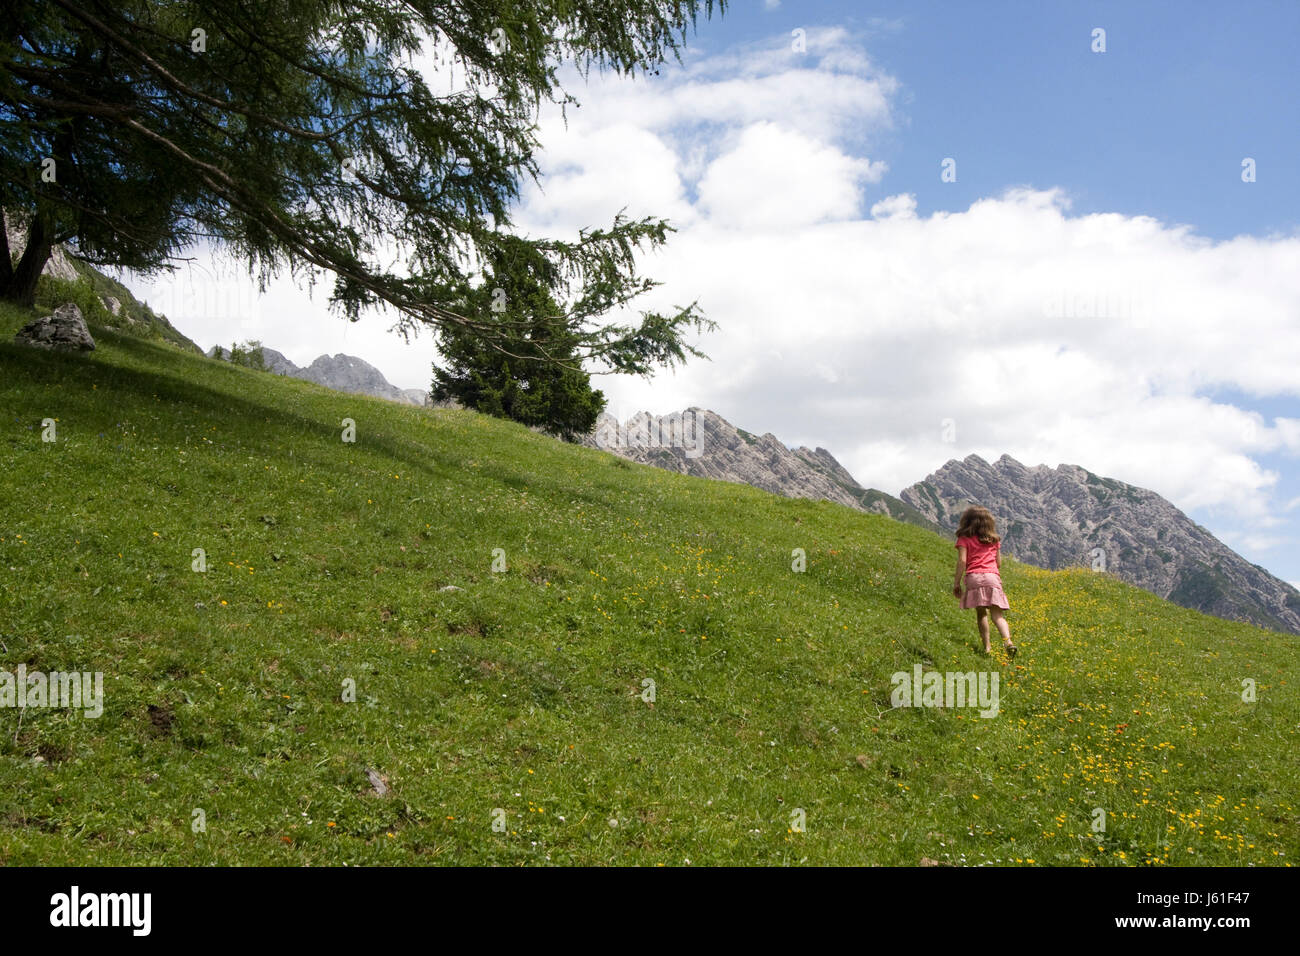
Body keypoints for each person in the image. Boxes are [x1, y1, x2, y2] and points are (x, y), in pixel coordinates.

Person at [952, 505, 1017, 658]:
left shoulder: (964, 539)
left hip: (975, 578)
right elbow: (998, 563)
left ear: (967, 521)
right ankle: (1008, 642)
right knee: (998, 615)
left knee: (981, 614)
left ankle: (987, 648)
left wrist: (956, 583)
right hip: (992, 577)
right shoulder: (994, 540)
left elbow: (962, 561)